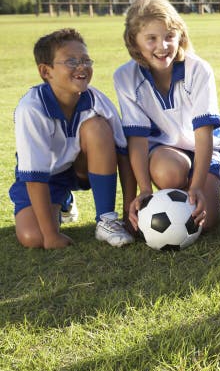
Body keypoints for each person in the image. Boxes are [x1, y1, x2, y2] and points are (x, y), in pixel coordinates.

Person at [114, 0, 220, 233]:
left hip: (203, 149)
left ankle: (213, 181)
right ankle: (176, 188)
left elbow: (204, 135)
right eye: (151, 38)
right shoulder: (125, 77)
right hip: (164, 153)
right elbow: (137, 139)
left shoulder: (198, 70)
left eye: (169, 36)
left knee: (204, 223)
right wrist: (145, 189)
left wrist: (198, 186)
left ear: (180, 36)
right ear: (134, 40)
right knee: (168, 173)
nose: (162, 46)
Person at [9, 28, 134, 248]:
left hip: (81, 169)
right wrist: (50, 236)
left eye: (86, 60)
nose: (81, 66)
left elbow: (123, 155)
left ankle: (106, 220)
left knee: (97, 127)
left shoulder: (97, 100)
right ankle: (63, 201)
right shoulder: (31, 109)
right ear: (46, 71)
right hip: (45, 178)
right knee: (33, 237)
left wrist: (129, 215)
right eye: (71, 61)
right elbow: (34, 177)